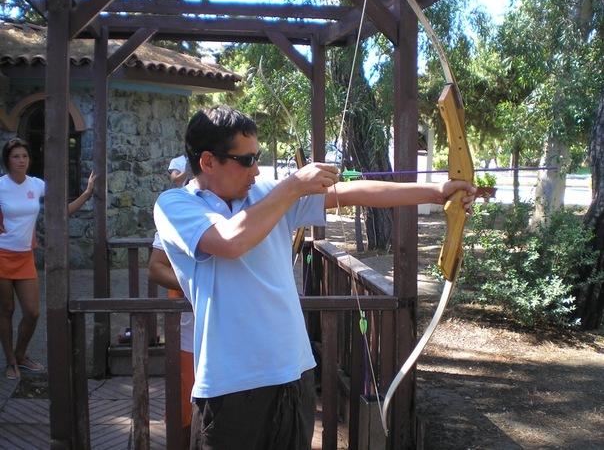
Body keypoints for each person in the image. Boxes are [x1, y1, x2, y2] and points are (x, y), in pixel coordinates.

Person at [153, 105, 476, 449]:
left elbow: (353, 192)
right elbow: (229, 242)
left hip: (295, 372)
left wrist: (437, 192)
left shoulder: (267, 193)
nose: (256, 169)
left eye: (257, 157)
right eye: (246, 160)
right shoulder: (176, 204)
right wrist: (292, 186)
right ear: (207, 162)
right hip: (230, 384)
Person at [0, 137, 97, 380]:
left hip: (25, 256)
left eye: (24, 156)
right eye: (15, 156)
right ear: (7, 160)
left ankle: (21, 355)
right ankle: (10, 361)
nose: (21, 160)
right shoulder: (1, 185)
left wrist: (87, 194)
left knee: (32, 313)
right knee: (6, 310)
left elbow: (61, 211)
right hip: (1, 255)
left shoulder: (37, 185)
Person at [148, 233, 195, 449]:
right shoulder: (178, 212)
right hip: (189, 329)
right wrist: (201, 285)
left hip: (241, 328)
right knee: (184, 407)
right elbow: (156, 267)